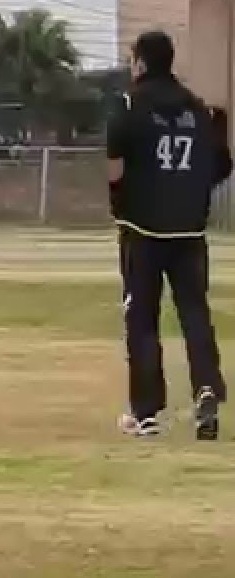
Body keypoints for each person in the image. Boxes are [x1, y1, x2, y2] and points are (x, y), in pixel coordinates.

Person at [109, 30, 233, 440]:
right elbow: (222, 164)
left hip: (141, 230)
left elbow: (115, 167)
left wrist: (120, 202)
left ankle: (145, 411)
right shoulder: (198, 109)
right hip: (189, 229)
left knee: (142, 319)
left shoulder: (130, 105)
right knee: (195, 314)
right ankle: (207, 389)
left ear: (141, 63)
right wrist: (191, 192)